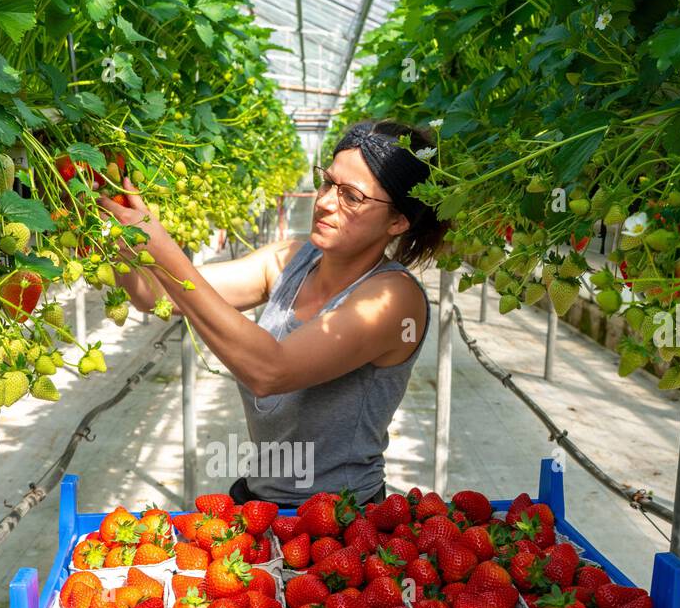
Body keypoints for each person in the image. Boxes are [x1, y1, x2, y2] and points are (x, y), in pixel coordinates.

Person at [99, 119, 446, 507]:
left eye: (352, 197)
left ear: (398, 221)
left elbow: (270, 371)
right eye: (328, 183)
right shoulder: (288, 261)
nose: (326, 202)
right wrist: (114, 232)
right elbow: (154, 295)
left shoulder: (394, 299)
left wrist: (164, 248)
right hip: (263, 502)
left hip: (345, 522)